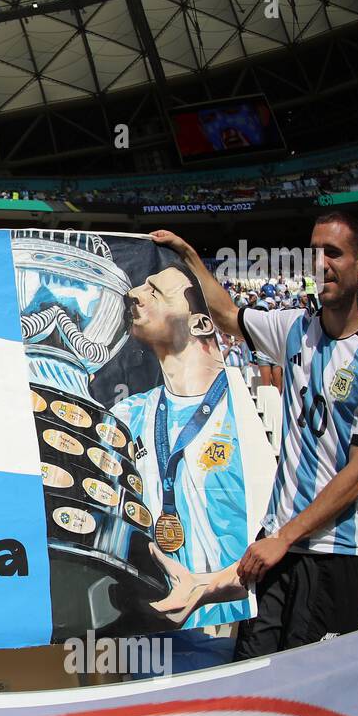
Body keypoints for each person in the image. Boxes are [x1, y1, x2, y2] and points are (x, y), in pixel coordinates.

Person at [152, 212, 358, 658]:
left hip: (332, 555)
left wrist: (284, 537)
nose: (320, 263)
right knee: (252, 676)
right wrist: (190, 257)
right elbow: (228, 314)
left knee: (309, 695)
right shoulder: (294, 330)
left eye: (333, 253)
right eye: (313, 253)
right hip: (276, 552)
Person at [113, 265, 249, 627]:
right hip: (151, 624)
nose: (134, 295)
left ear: (201, 324)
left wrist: (213, 587)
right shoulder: (126, 415)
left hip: (235, 623)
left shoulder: (243, 410)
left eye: (155, 291)